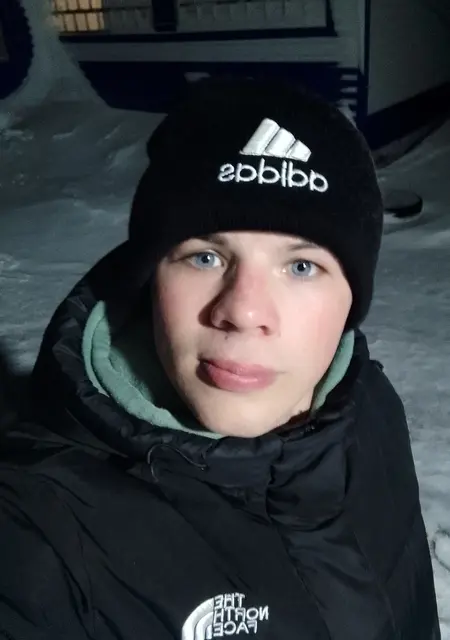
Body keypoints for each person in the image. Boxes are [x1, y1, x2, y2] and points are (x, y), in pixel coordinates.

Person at [0, 77, 440, 639]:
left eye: (301, 266)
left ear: (352, 296)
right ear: (150, 278)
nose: (243, 311)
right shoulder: (40, 536)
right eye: (205, 257)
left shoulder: (372, 410)